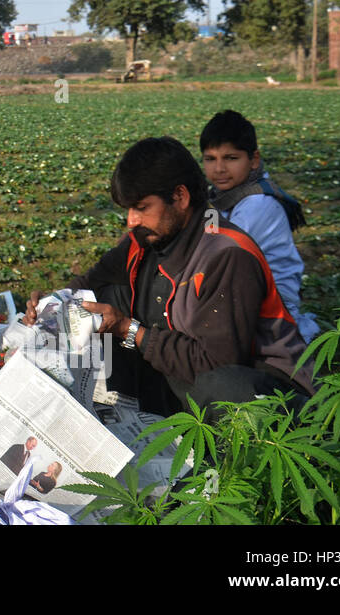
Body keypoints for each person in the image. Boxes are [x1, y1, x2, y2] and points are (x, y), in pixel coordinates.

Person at [23, 137, 313, 419]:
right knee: (105, 299)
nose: (131, 220)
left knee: (225, 387)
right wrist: (53, 301)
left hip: (267, 390)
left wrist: (129, 329)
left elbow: (216, 365)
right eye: (128, 209)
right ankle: (140, 414)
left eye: (141, 207)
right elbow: (92, 281)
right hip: (189, 376)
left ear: (180, 197)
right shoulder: (148, 236)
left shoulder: (225, 254)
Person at [200, 110, 317, 343]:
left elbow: (219, 256)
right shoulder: (221, 197)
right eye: (210, 159)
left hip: (275, 306)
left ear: (253, 159)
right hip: (243, 286)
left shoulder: (257, 203)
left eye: (231, 158)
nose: (219, 168)